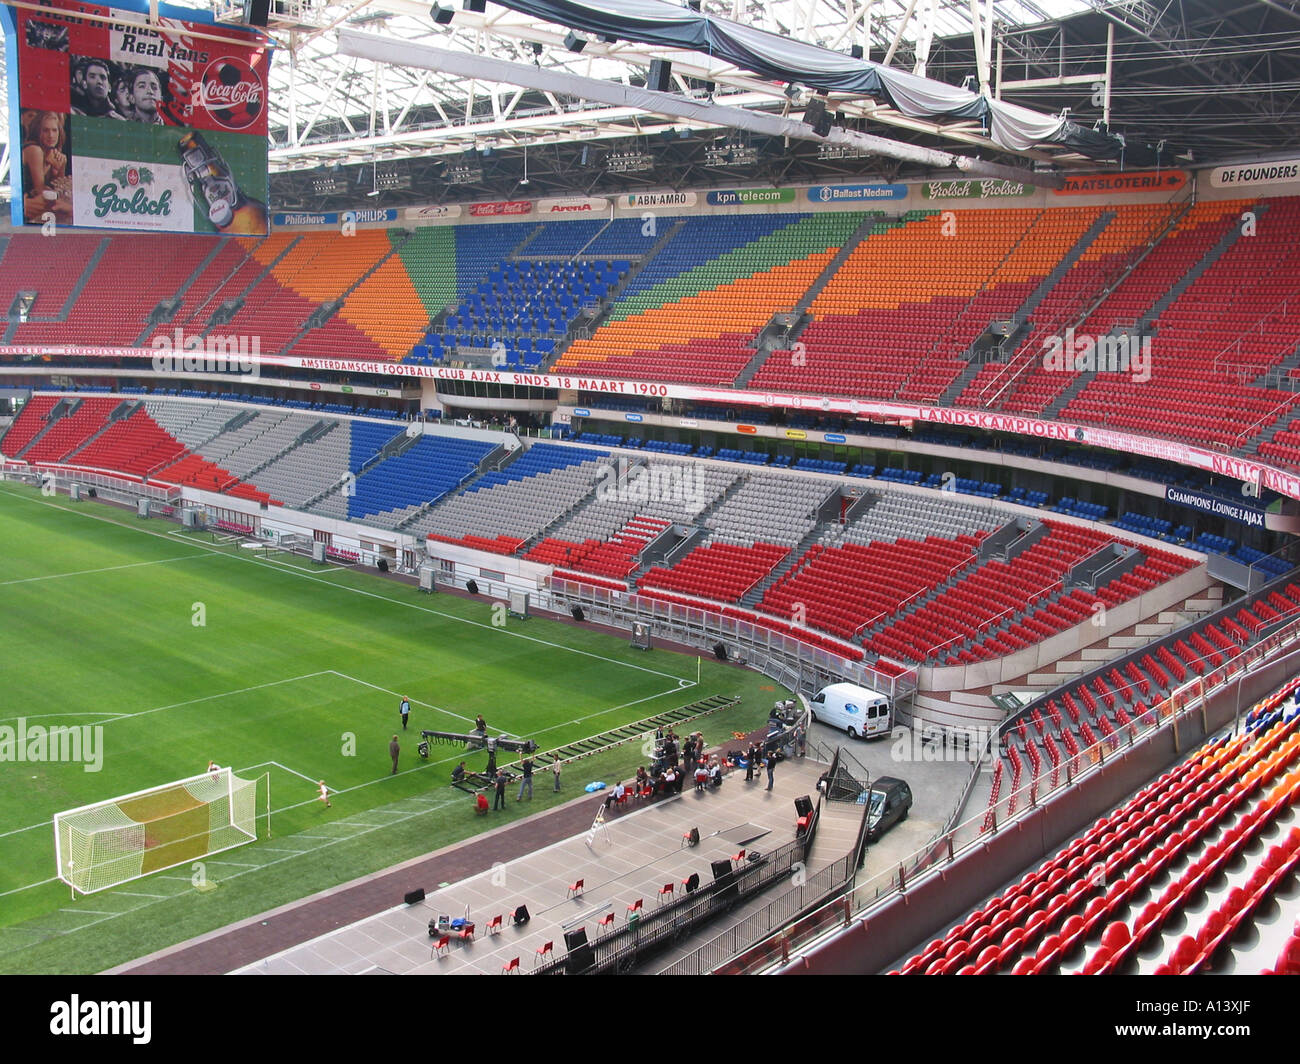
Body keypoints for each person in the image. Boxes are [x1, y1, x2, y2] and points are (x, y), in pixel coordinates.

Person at [22, 111, 71, 224]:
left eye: (54, 130)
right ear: (38, 131)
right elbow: (40, 191)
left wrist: (59, 167)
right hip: (23, 213)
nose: (51, 135)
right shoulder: (35, 150)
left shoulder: (51, 153)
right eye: (45, 130)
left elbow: (59, 187)